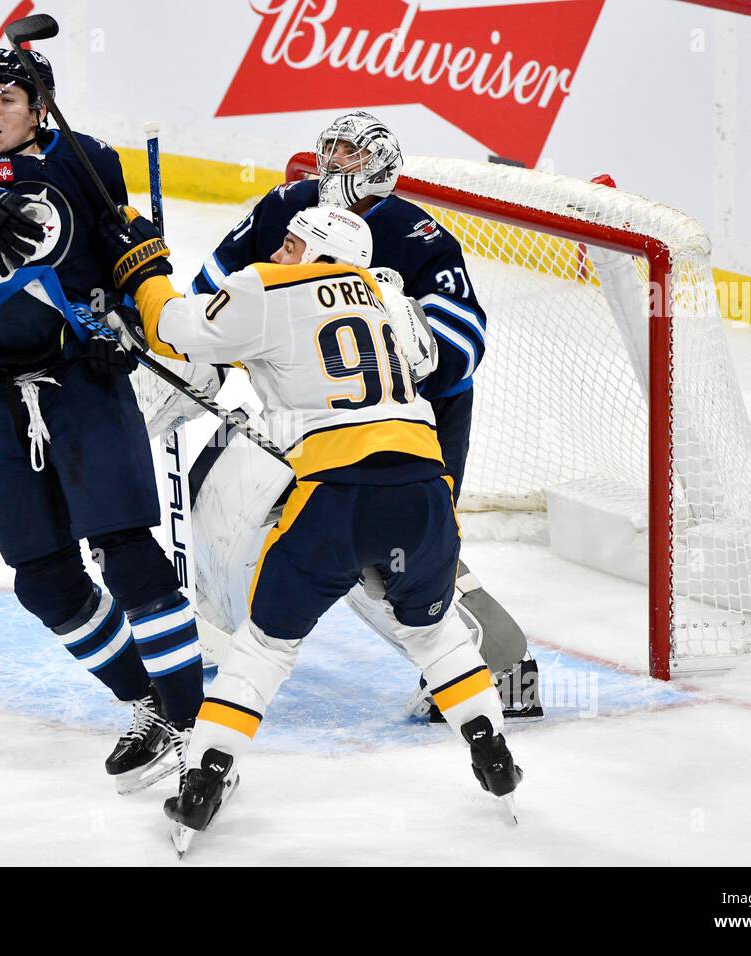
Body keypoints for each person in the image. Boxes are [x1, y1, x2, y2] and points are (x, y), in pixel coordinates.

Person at [96, 203, 523, 853]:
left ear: (314, 249)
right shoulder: (390, 291)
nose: (282, 248)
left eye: (294, 242)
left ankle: (206, 779)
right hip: (424, 490)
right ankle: (492, 752)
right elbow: (388, 358)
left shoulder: (266, 285)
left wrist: (144, 265)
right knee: (432, 634)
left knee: (265, 647)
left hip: (337, 496)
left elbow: (176, 328)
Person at [180, 111, 542, 721]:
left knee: (388, 551)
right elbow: (214, 290)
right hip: (305, 412)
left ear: (378, 165)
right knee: (219, 474)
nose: (332, 166)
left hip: (409, 420)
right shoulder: (288, 205)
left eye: (349, 155)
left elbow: (462, 345)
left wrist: (363, 345)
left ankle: (502, 667)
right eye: (329, 151)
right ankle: (212, 629)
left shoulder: (418, 234)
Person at [0, 47, 202, 794]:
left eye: (8, 98)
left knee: (130, 558)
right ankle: (147, 704)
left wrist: (140, 320)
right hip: (1, 396)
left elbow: (121, 248)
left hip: (83, 383)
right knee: (41, 579)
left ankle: (195, 728)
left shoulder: (91, 162)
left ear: (42, 108)